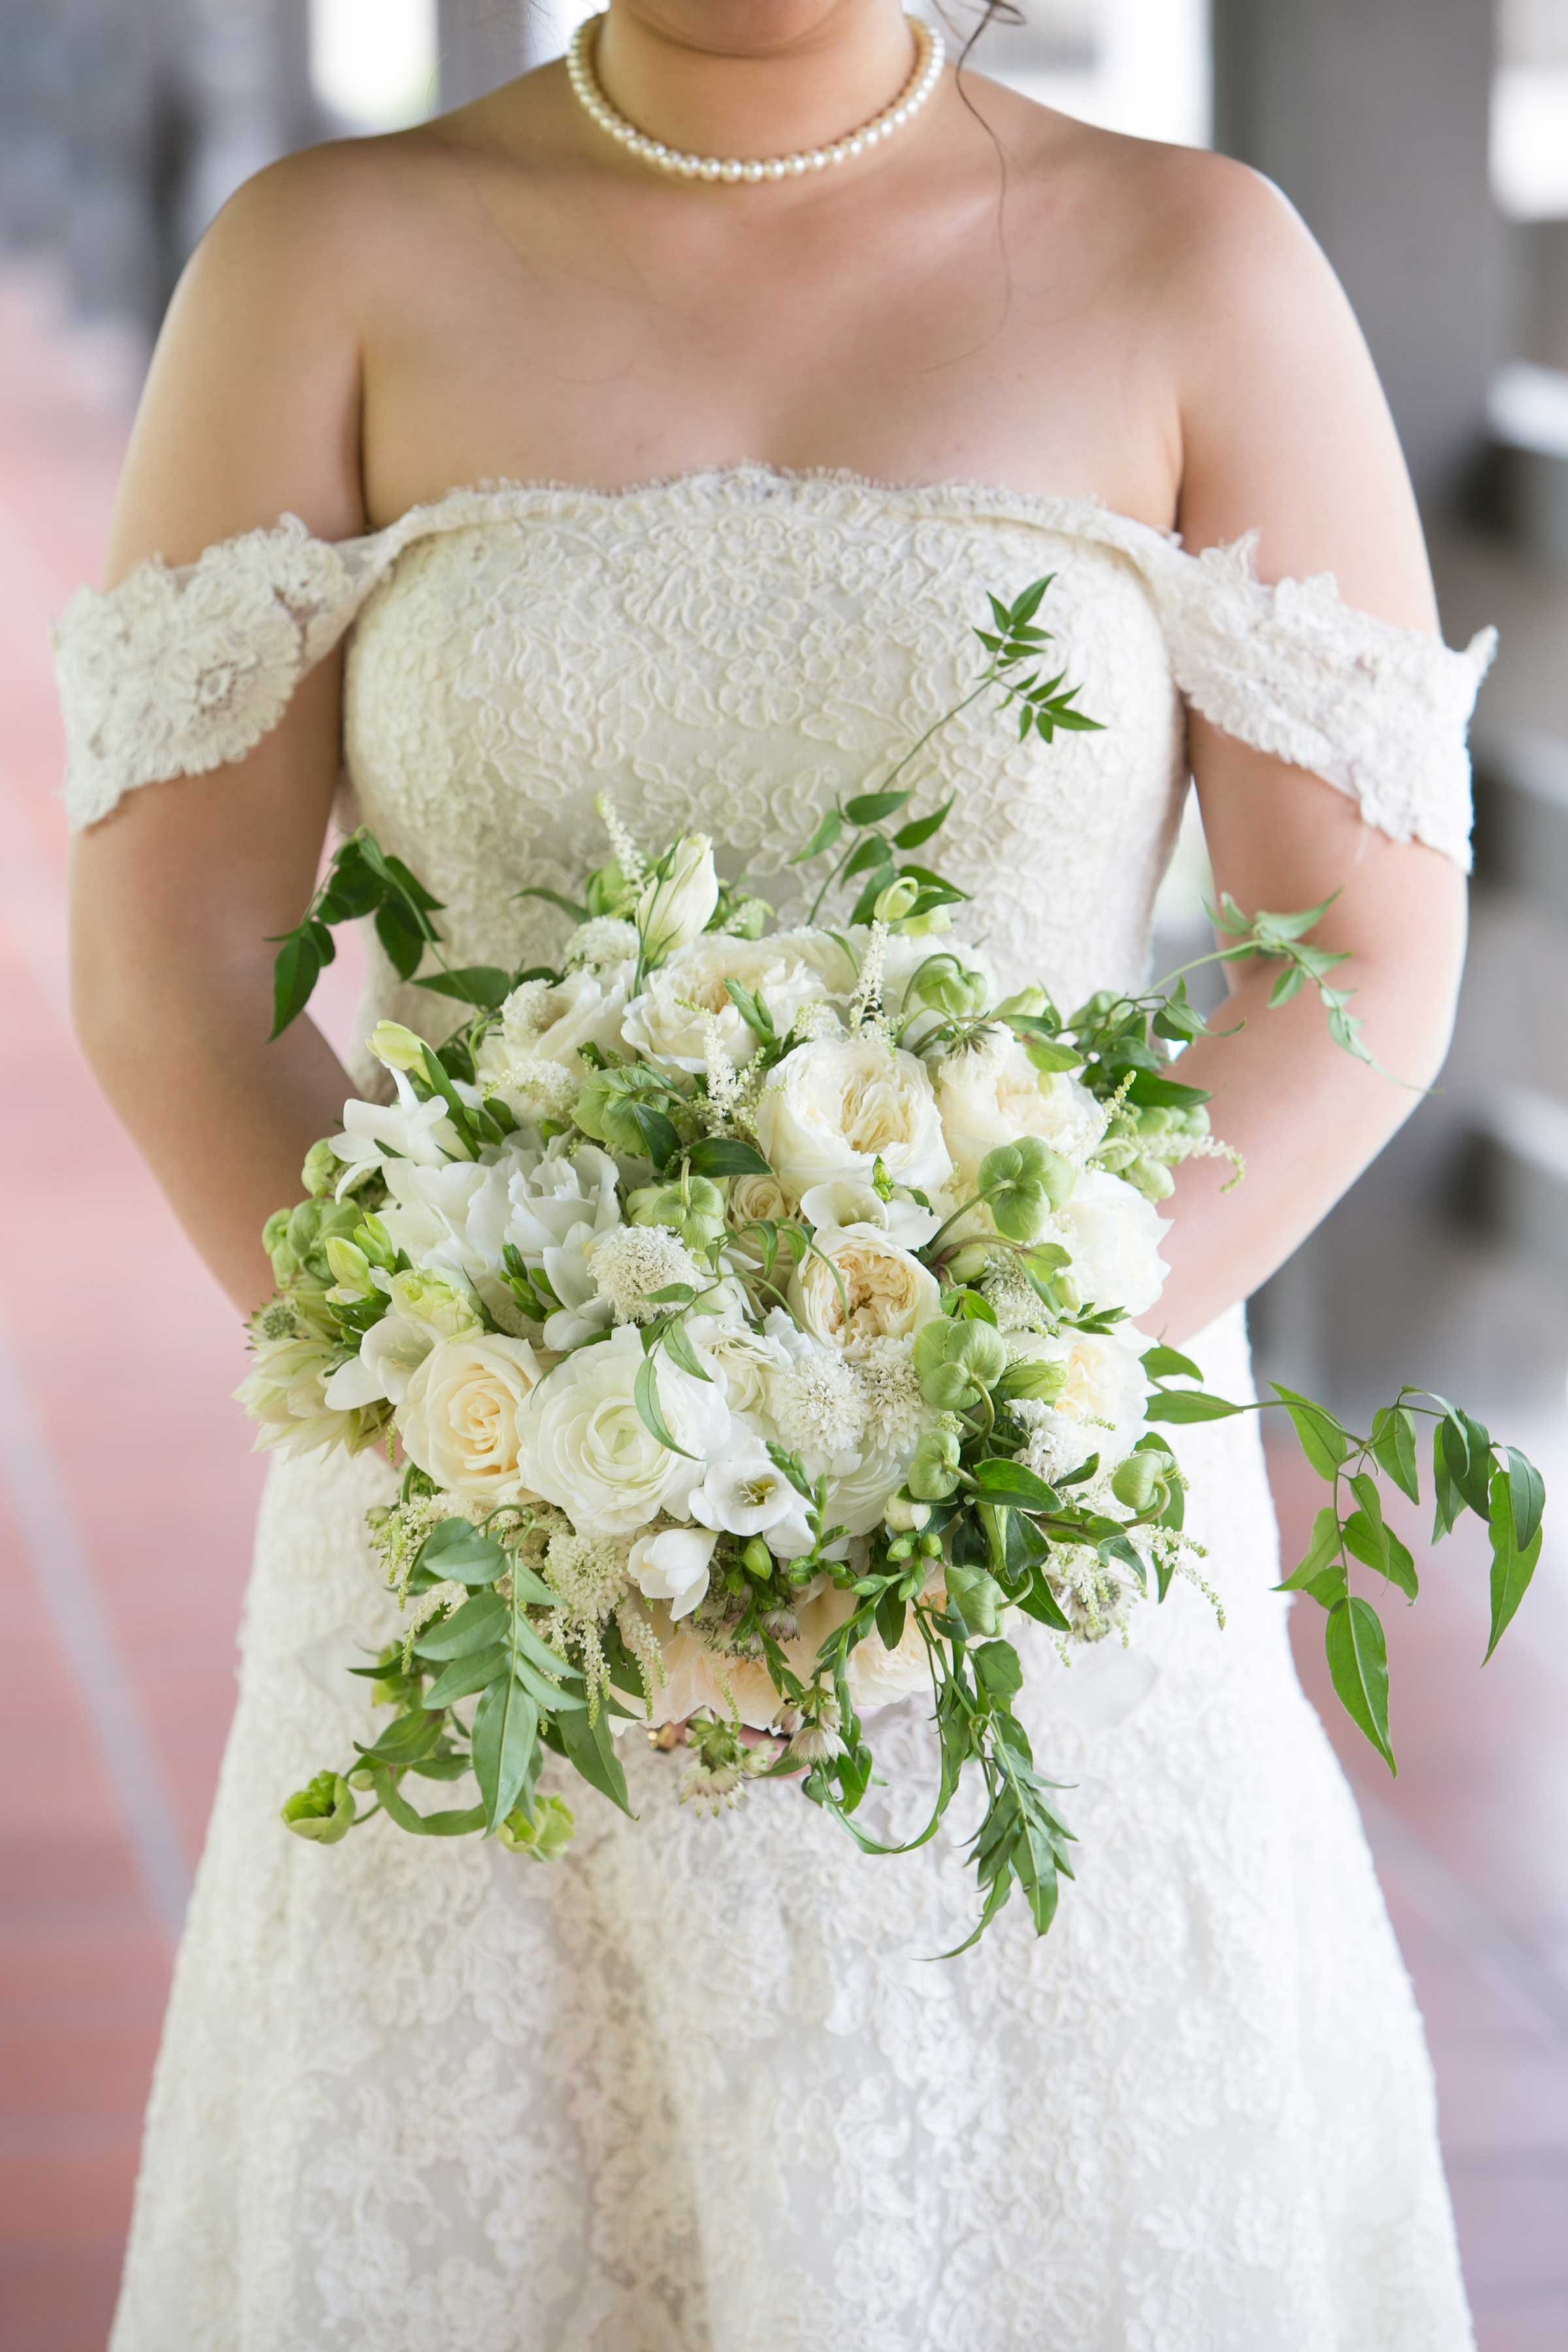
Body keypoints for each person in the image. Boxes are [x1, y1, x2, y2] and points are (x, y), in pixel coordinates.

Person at [58, 5, 1490, 2344]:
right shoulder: (324, 260)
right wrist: (483, 1440)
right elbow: (177, 970)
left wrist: (975, 1416)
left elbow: (1361, 962)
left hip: (1036, 1563)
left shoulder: (1197, 260)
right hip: (485, 1568)